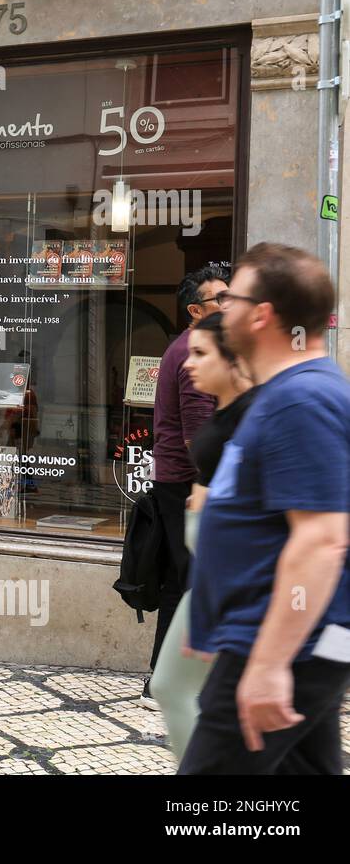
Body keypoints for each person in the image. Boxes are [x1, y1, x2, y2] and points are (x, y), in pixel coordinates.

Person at [180, 242, 350, 774]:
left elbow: (321, 540)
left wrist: (272, 662)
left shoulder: (302, 400)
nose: (220, 307)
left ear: (262, 315)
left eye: (231, 298)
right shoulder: (282, 396)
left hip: (285, 643)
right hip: (280, 637)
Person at [149, 312, 255, 758]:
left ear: (234, 360)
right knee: (173, 687)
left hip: (237, 585)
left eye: (200, 353)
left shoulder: (255, 418)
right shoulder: (222, 418)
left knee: (182, 689)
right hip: (213, 579)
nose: (186, 362)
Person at [142, 265, 229, 707]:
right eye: (221, 300)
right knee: (192, 582)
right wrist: (212, 488)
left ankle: (162, 679)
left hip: (180, 481)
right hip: (186, 482)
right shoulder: (192, 354)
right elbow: (199, 438)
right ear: (196, 310)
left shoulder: (196, 348)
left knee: (183, 582)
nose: (230, 307)